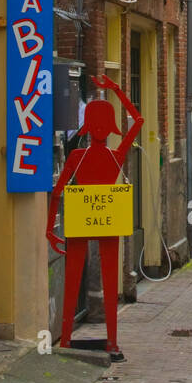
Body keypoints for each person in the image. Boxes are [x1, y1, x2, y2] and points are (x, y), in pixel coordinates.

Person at [47, 74, 143, 356]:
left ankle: (67, 340)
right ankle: (108, 341)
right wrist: (116, 91)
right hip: (105, 218)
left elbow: (58, 191)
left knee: (75, 275)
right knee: (102, 278)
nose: (101, 129)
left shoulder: (79, 157)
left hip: (82, 216)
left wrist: (50, 228)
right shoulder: (116, 156)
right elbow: (137, 121)